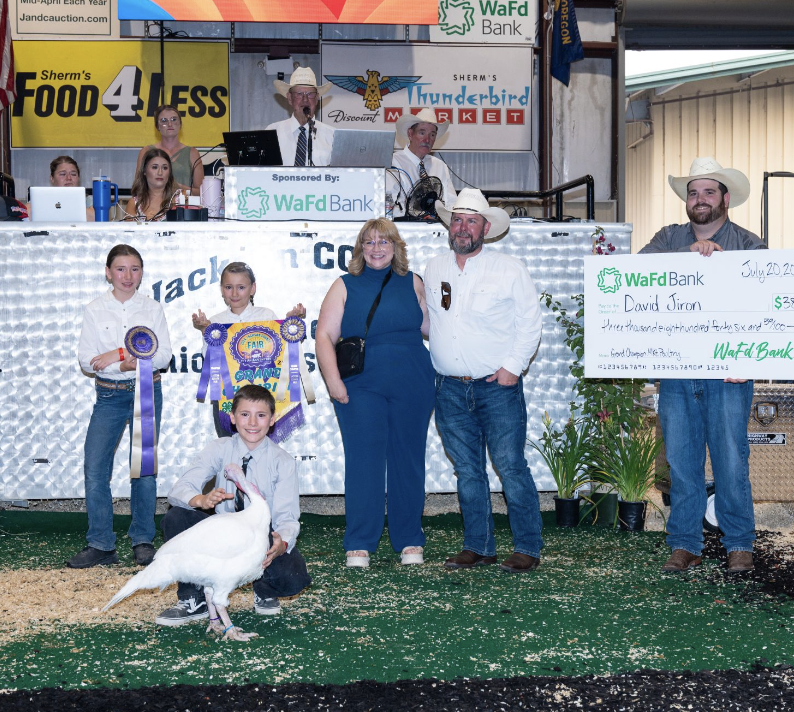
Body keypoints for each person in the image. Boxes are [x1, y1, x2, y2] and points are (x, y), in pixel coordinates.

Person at [639, 156, 767, 574]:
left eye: (709, 191)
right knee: (680, 461)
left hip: (729, 371)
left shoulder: (750, 245)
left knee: (731, 459)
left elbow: (768, 303)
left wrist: (752, 359)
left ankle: (739, 544)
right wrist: (685, 256)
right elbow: (634, 272)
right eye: (693, 192)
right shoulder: (667, 238)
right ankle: (685, 543)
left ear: (725, 199)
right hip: (676, 369)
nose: (700, 199)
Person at [424, 188, 543, 573]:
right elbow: (435, 321)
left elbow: (530, 324)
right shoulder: (435, 268)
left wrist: (513, 367)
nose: (462, 227)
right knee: (468, 470)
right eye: (457, 220)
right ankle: (478, 546)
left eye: (471, 221)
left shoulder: (510, 268)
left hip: (497, 387)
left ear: (486, 228)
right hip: (449, 387)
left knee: (510, 466)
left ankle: (527, 546)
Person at [315, 218, 435, 567]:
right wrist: (333, 381)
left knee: (408, 460)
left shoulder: (414, 282)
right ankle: (359, 541)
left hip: (414, 383)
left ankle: (409, 539)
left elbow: (433, 328)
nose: (377, 248)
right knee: (363, 461)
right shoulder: (344, 285)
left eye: (384, 241)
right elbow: (324, 336)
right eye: (369, 242)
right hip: (361, 386)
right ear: (360, 249)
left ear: (396, 247)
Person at [155, 385, 311, 625]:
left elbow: (287, 518)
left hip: (258, 537)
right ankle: (193, 598)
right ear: (232, 418)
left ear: (272, 420)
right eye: (244, 414)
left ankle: (264, 590)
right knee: (177, 517)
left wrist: (281, 544)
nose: (252, 422)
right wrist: (201, 500)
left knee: (293, 576)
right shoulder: (219, 448)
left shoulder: (283, 462)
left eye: (261, 415)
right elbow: (179, 490)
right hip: (222, 533)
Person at [67, 244, 172, 569]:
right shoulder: (95, 309)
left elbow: (163, 356)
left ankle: (142, 540)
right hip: (109, 395)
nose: (128, 276)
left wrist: (118, 355)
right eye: (121, 269)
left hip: (146, 391)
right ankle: (101, 544)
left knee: (144, 470)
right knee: (95, 468)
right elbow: (87, 360)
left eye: (135, 269)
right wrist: (122, 363)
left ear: (142, 273)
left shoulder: (152, 308)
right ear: (108, 272)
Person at [192, 262, 307, 437]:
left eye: (241, 287)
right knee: (229, 447)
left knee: (262, 448)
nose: (234, 293)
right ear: (222, 289)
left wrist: (289, 325)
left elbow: (282, 354)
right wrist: (205, 331)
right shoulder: (215, 322)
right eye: (229, 287)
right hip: (228, 400)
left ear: (252, 288)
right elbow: (209, 359)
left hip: (262, 398)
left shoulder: (266, 316)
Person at [388, 108, 458, 218]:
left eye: (432, 135)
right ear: (410, 134)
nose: (427, 140)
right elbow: (389, 204)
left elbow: (451, 203)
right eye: (422, 133)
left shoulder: (440, 166)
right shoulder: (393, 162)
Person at [267, 66, 334, 167]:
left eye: (310, 94)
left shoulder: (332, 135)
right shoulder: (272, 133)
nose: (305, 99)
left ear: (316, 99)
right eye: (299, 94)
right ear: (290, 98)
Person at [135, 105, 204, 196]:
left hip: (183, 204)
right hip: (153, 204)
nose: (170, 124)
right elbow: (138, 187)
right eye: (164, 120)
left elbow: (202, 192)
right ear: (157, 126)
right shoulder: (146, 151)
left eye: (174, 119)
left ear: (180, 124)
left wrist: (179, 188)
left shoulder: (192, 153)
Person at [27, 156, 94, 221]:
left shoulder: (89, 200)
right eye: (62, 174)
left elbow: (96, 217)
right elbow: (26, 214)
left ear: (78, 178)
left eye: (73, 174)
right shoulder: (40, 199)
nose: (69, 178)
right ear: (52, 178)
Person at [123, 148, 179, 222]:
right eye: (154, 167)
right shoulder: (134, 203)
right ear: (144, 171)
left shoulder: (180, 200)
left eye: (165, 168)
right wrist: (147, 224)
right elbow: (129, 229)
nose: (160, 173)